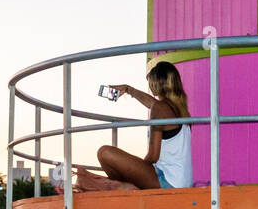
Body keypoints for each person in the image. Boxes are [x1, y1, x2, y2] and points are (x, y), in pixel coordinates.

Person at [74, 60, 194, 192]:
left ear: (155, 83)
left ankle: (125, 186)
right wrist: (128, 89)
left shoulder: (160, 108)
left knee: (104, 153)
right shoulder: (179, 109)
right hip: (180, 181)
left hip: (167, 181)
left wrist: (135, 170)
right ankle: (122, 186)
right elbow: (151, 103)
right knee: (115, 160)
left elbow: (153, 156)